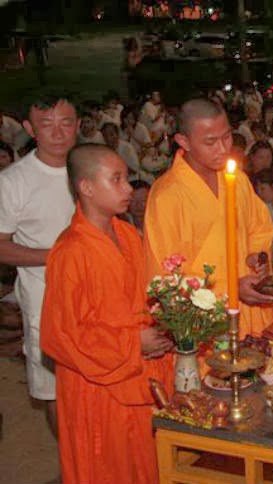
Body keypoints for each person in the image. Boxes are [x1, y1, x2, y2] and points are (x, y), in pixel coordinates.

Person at [40, 144, 173, 484]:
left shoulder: (128, 234)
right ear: (86, 187)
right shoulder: (70, 251)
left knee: (144, 463)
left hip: (137, 375)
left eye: (126, 178)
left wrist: (162, 329)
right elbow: (61, 336)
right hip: (96, 385)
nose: (129, 188)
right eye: (116, 179)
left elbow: (144, 299)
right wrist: (133, 342)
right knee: (106, 469)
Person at [144, 98, 273, 337]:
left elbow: (260, 228)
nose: (223, 149)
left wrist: (256, 260)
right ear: (183, 141)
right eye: (210, 142)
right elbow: (166, 278)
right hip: (207, 326)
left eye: (226, 136)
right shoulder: (167, 196)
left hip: (250, 312)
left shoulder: (237, 180)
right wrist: (231, 289)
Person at [0, 96, 78, 435]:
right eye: (47, 124)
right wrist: (56, 256)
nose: (58, 133)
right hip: (46, 300)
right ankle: (73, 464)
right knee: (54, 390)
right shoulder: (14, 180)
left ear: (77, 124)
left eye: (66, 122)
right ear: (30, 129)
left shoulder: (91, 167)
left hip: (97, 296)